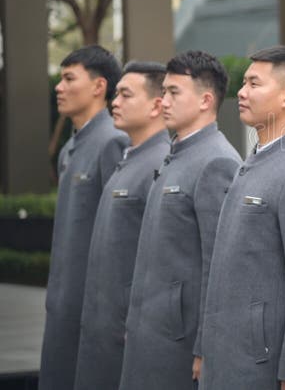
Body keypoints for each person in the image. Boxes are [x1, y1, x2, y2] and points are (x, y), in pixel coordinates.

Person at [199, 46, 285, 390]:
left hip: (260, 366)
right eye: (243, 83)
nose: (241, 92)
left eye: (254, 83)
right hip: (226, 357)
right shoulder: (250, 164)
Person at [119, 51, 240, 390]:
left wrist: (204, 346)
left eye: (174, 92)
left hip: (178, 344)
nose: (164, 100)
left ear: (205, 100)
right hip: (151, 333)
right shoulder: (177, 154)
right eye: (163, 91)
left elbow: (218, 266)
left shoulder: (217, 161)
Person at [73, 61, 171, 390]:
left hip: (128, 332)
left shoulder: (160, 164)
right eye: (116, 95)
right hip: (104, 327)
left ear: (157, 104)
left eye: (126, 95)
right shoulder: (131, 157)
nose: (115, 102)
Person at [39, 45, 128, 390]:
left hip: (92, 307)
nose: (58, 87)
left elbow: (118, 234)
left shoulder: (113, 142)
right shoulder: (70, 148)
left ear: (98, 86)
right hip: (62, 301)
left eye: (68, 78)